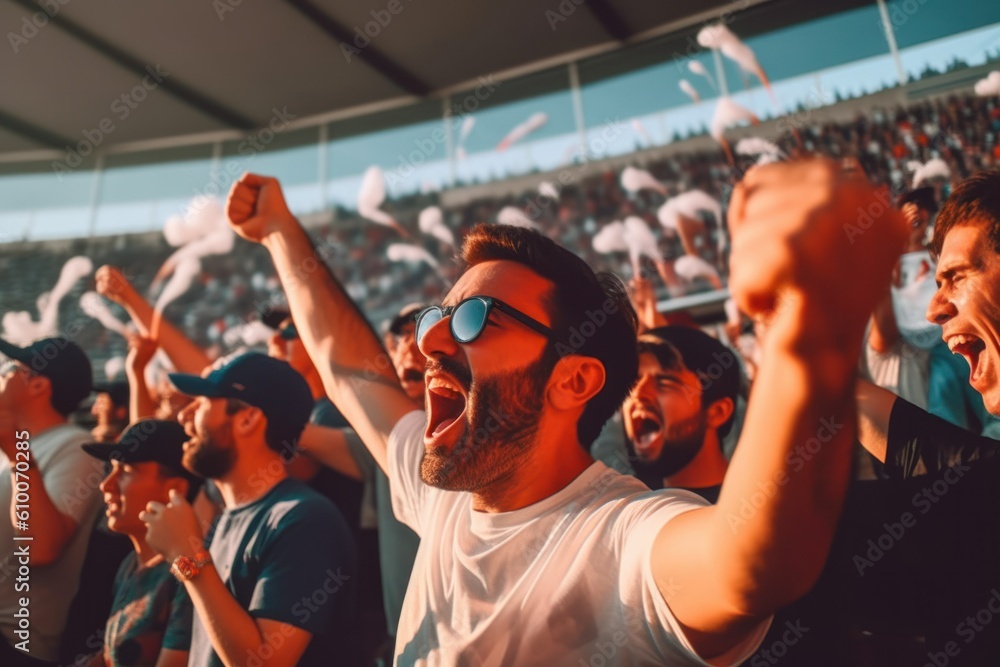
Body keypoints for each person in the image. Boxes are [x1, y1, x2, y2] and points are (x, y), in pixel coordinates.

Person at [224, 163, 905, 665]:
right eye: (439, 313)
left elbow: (753, 562)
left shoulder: (623, 535)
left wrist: (809, 330)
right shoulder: (444, 498)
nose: (431, 340)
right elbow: (352, 370)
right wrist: (281, 231)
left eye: (474, 318)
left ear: (574, 378)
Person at [139, 351, 358, 667]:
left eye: (201, 403)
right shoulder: (229, 519)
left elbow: (263, 662)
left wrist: (187, 556)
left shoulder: (305, 520)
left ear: (247, 418)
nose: (184, 416)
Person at [0, 337, 102, 666]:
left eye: (12, 369)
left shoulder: (76, 446)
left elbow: (40, 547)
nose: (2, 375)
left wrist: (17, 455)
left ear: (39, 386)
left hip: (15, 643)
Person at [81, 419, 203, 667]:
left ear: (176, 490)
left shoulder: (187, 576)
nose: (107, 485)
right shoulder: (130, 563)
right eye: (111, 469)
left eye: (126, 472)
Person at [621, 326, 739, 501]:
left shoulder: (751, 505)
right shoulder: (629, 506)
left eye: (665, 383)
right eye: (633, 382)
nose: (638, 394)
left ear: (717, 413)